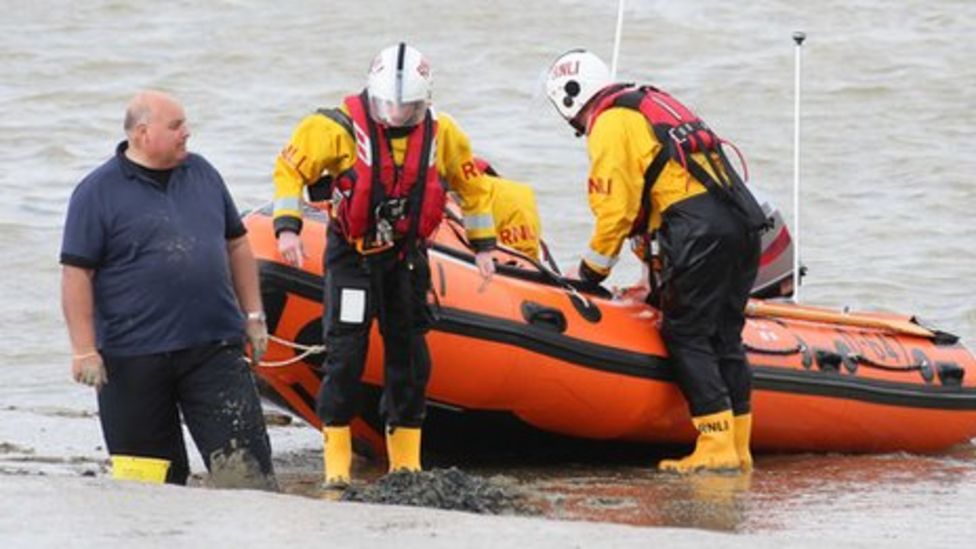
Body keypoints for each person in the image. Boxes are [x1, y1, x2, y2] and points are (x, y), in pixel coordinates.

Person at [272, 43, 496, 487]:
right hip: (353, 257)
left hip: (405, 258)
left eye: (407, 106)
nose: (395, 114)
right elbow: (289, 171)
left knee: (410, 354)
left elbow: (473, 188)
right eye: (387, 104)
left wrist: (484, 245)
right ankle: (336, 467)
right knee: (346, 354)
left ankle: (406, 462)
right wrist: (287, 227)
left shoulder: (443, 133)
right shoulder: (332, 129)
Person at [544, 50, 766, 473]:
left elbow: (616, 210)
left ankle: (715, 446)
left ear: (569, 101)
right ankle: (739, 448)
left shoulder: (609, 122)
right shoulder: (648, 103)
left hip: (700, 232)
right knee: (726, 335)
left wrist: (590, 274)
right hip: (744, 224)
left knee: (686, 333)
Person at [60, 90, 276, 488]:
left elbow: (238, 244)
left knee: (250, 481)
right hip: (132, 360)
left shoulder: (204, 173)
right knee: (147, 491)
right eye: (176, 126)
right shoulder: (96, 192)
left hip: (213, 351)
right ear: (142, 133)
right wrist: (84, 350)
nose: (187, 133)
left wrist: (254, 315)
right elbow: (76, 274)